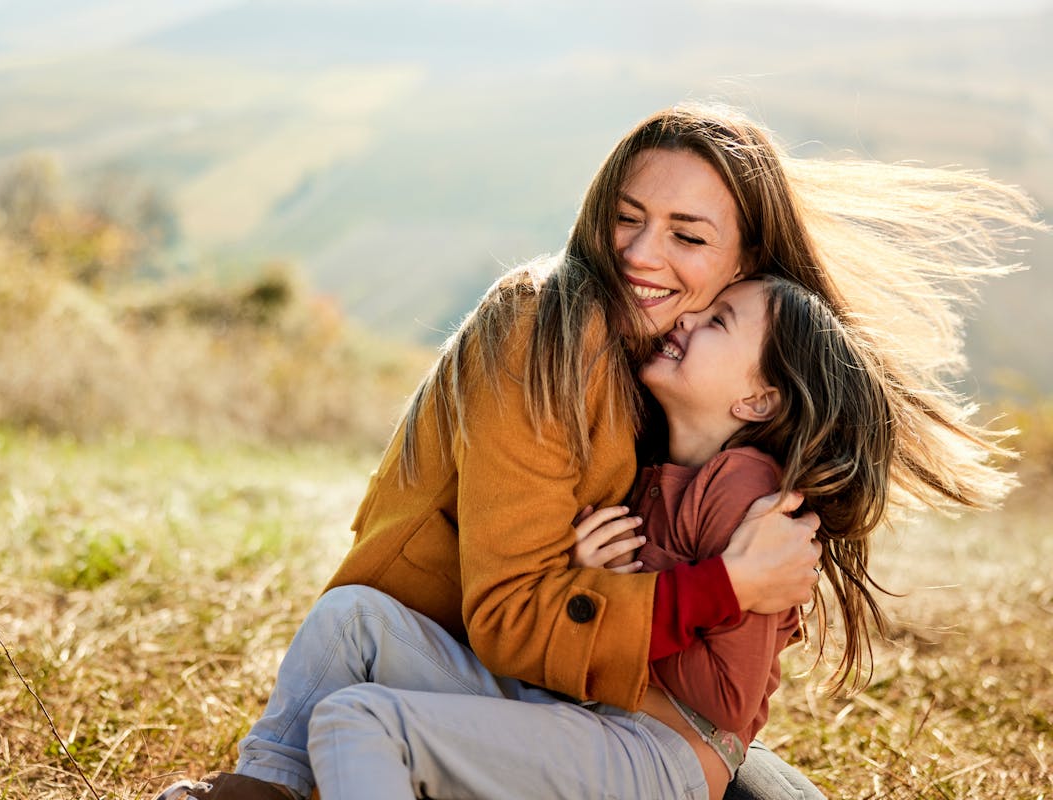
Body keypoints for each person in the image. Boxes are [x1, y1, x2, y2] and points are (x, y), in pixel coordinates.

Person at [154, 102, 1038, 800]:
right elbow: (528, 619)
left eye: (689, 237)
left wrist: (743, 587)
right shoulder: (554, 331)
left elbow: (733, 639)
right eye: (627, 219)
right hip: (517, 673)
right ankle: (261, 790)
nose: (641, 256)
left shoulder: (709, 410)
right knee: (347, 630)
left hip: (632, 722)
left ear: (745, 262)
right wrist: (701, 585)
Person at [303, 275, 892, 800]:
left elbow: (727, 703)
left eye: (717, 321)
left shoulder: (748, 496)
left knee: (357, 720)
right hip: (590, 715)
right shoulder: (653, 469)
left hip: (665, 757)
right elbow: (589, 627)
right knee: (353, 615)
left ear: (756, 399)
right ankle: (265, 783)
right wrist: (587, 580)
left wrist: (696, 589)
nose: (687, 318)